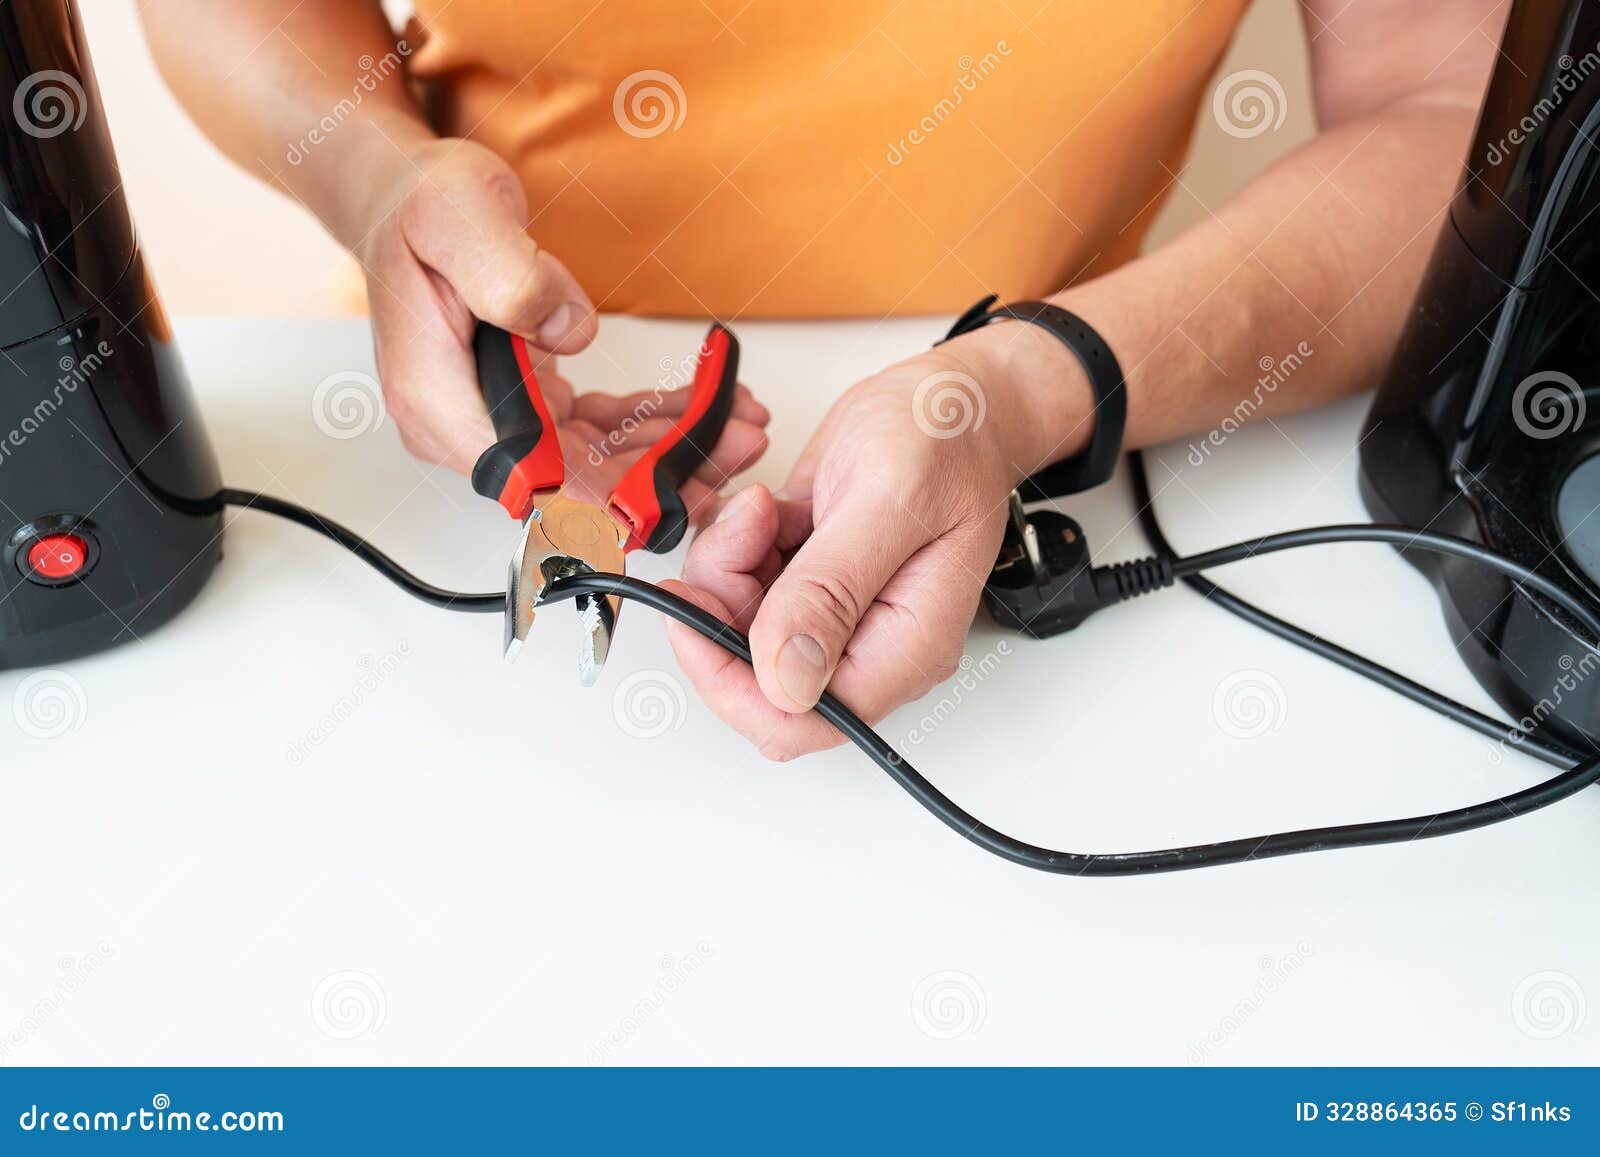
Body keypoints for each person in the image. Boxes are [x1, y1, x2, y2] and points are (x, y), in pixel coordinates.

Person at [144, 0, 1503, 759]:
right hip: (455, 403)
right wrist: (377, 181)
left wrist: (1018, 391)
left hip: (1097, 394)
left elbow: (1452, 122)